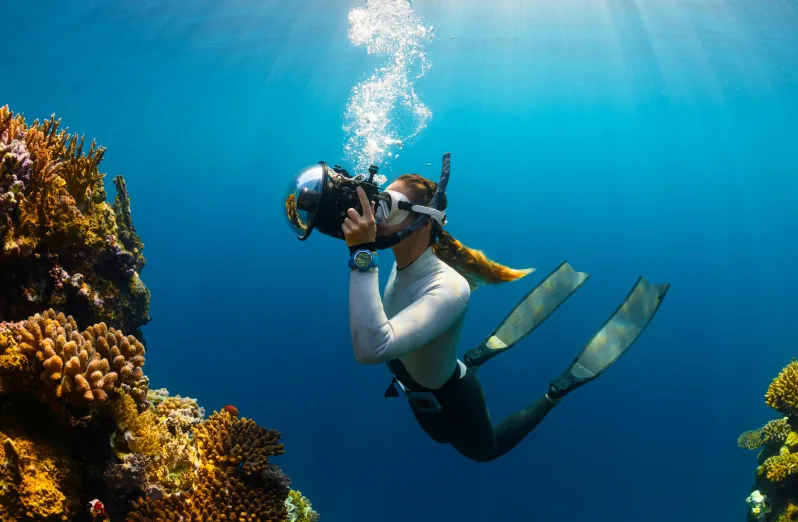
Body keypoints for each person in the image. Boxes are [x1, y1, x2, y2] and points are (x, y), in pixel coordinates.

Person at [342, 173, 668, 462]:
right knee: (441, 436)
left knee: (485, 451)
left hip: (452, 393)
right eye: (377, 201)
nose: (375, 214)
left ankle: (556, 392)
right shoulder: (401, 268)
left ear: (424, 220)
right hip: (414, 383)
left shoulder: (449, 288)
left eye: (389, 204)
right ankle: (473, 358)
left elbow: (372, 346)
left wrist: (362, 254)